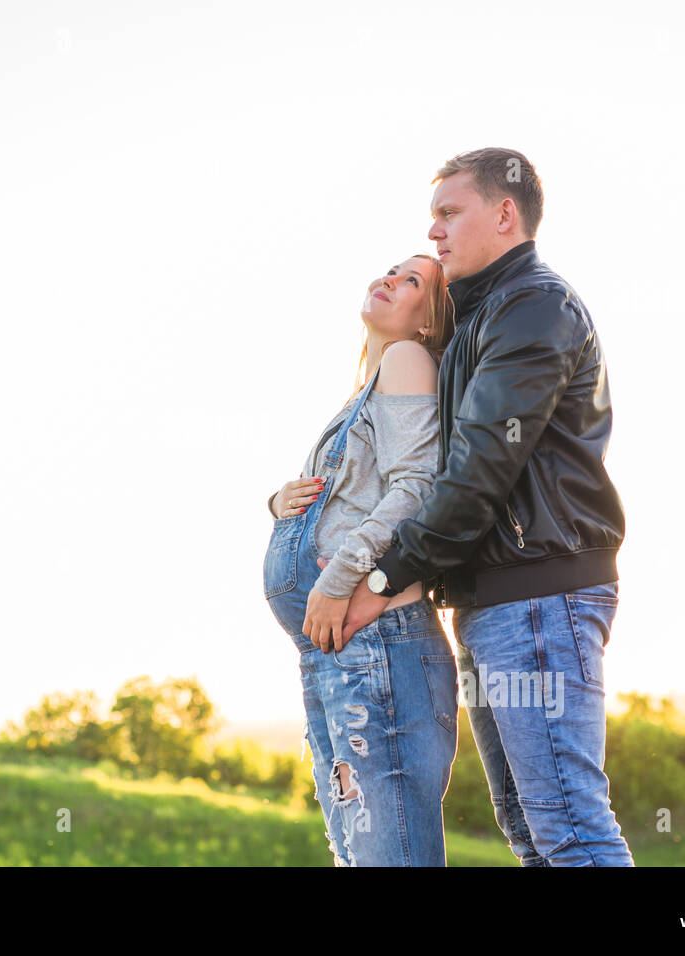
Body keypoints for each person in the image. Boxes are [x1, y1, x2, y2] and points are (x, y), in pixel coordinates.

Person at [336, 147, 634, 866]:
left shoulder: (533, 307)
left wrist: (383, 580)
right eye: (431, 216)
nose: (434, 232)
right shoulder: (475, 317)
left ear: (505, 214)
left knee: (568, 827)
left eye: (449, 213)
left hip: (538, 595)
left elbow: (479, 471)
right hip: (490, 600)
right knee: (531, 834)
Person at [262, 253, 459, 866]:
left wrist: (338, 580)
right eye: (391, 270)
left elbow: (415, 486)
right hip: (339, 657)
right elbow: (344, 496)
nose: (388, 279)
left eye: (411, 282)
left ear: (427, 323)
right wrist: (278, 503)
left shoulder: (407, 359)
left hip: (380, 645)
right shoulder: (366, 389)